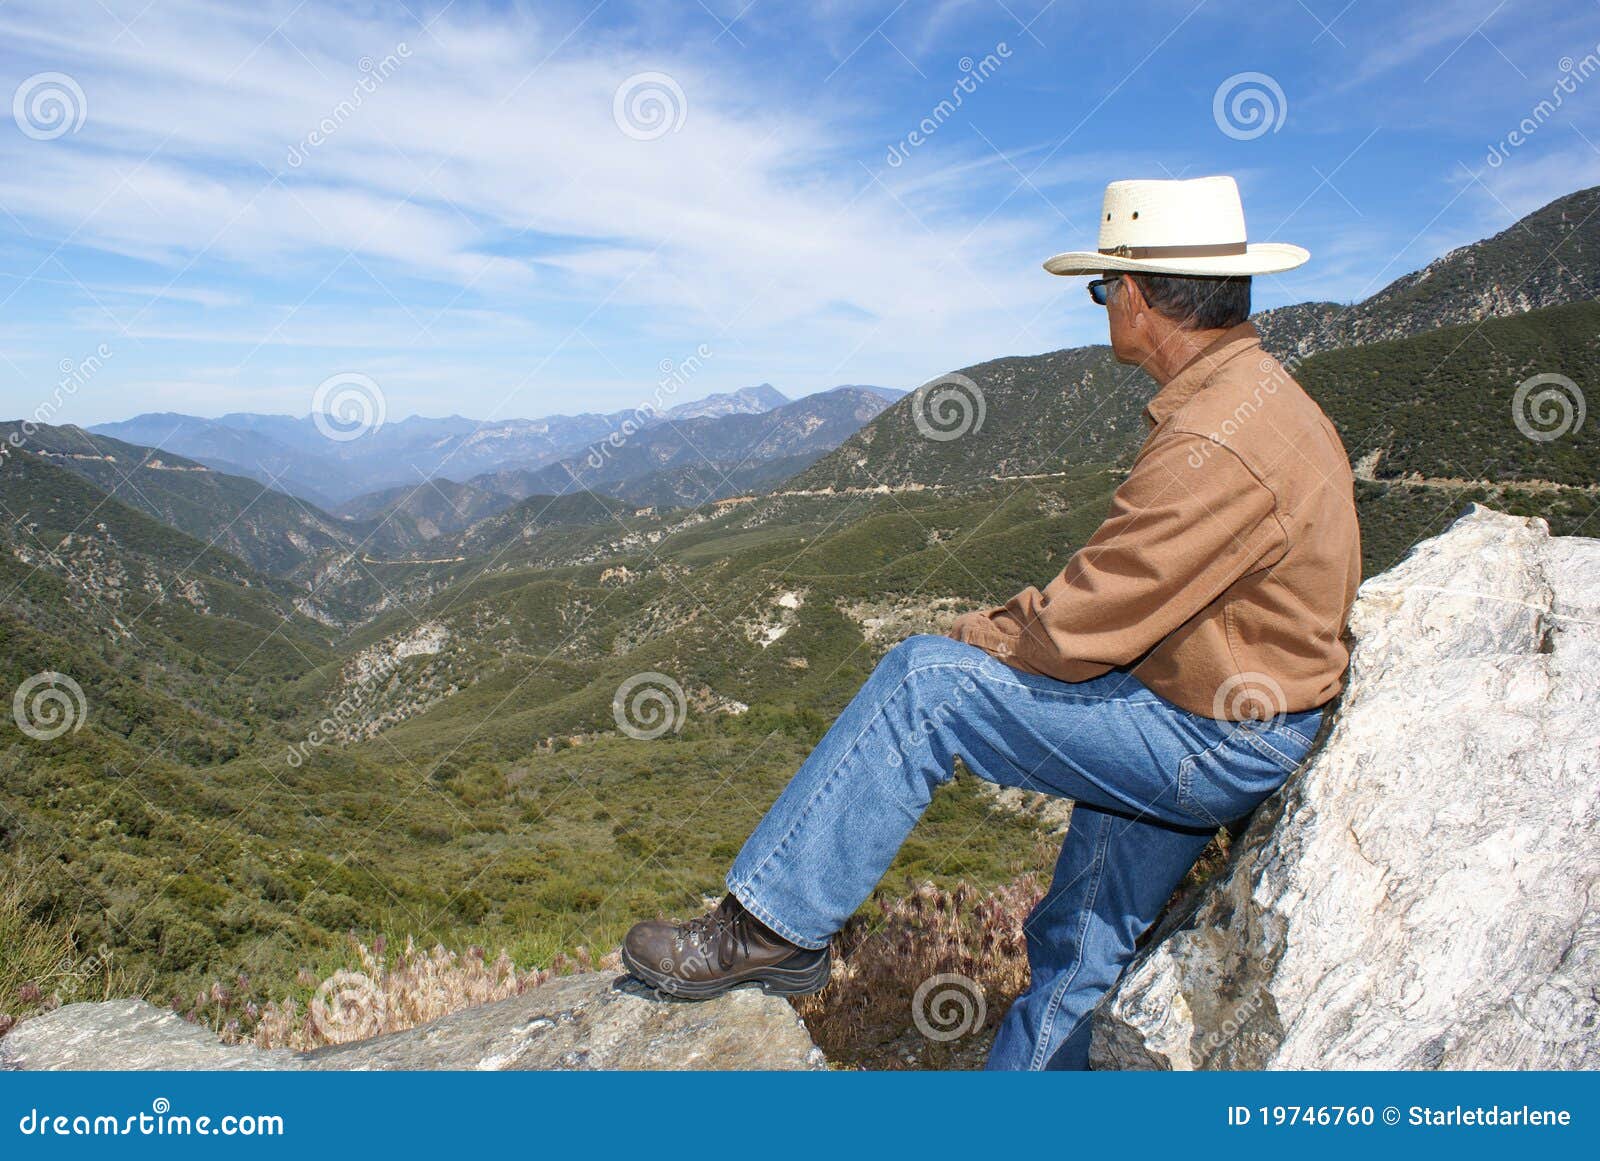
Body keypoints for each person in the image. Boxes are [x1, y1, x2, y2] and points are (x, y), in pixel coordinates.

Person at [621, 175, 1361, 1070]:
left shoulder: (1213, 439)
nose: (1100, 310)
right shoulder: (1261, 398)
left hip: (1210, 734)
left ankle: (769, 928)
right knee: (1079, 943)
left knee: (924, 685)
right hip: (1233, 714)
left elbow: (1076, 630)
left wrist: (970, 638)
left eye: (1099, 291)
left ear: (1131, 294)